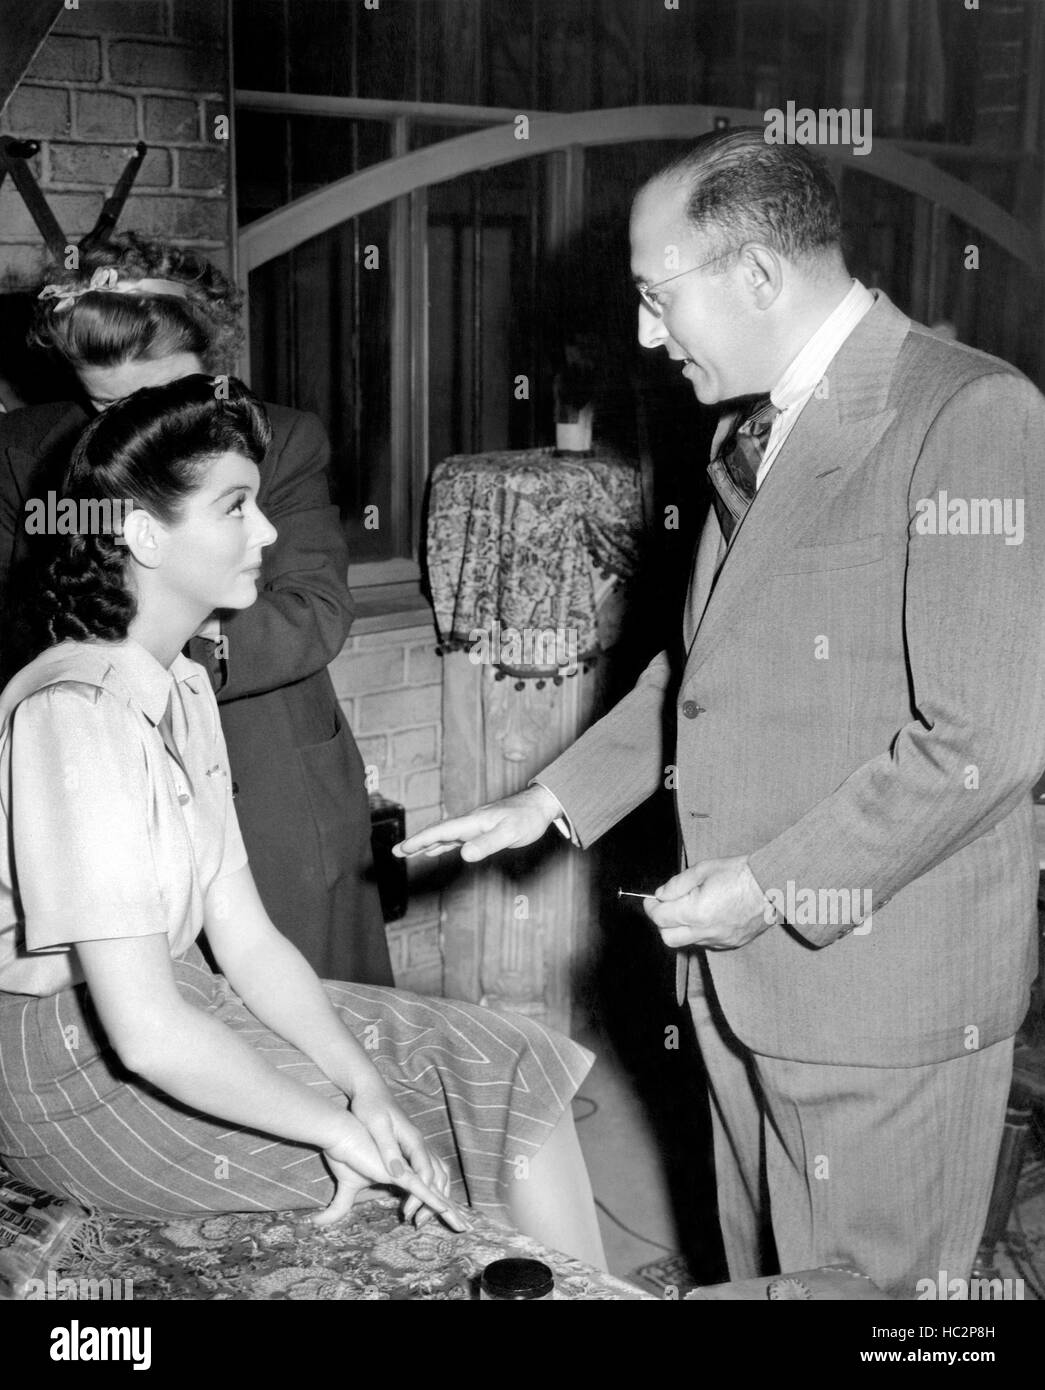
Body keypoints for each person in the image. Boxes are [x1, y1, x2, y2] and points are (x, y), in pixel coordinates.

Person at [396, 128, 1045, 1298]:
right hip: (741, 977)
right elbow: (697, 677)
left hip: (879, 993)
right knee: (760, 1277)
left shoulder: (969, 415)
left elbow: (985, 742)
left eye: (657, 297)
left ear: (755, 276)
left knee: (871, 1300)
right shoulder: (745, 430)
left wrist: (766, 888)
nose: (646, 334)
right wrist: (547, 799)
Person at [0, 375, 605, 1269]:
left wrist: (359, 1084)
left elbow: (246, 940)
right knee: (419, 1158)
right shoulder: (73, 713)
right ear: (142, 534)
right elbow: (146, 1033)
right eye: (236, 507)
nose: (270, 532)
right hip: (69, 1071)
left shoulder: (187, 685)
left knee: (510, 1061)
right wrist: (333, 1127)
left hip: (164, 1007)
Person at [0, 232, 391, 986]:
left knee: (305, 1004)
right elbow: (17, 612)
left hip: (267, 772)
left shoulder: (281, 443)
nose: (147, 427)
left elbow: (312, 611)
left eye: (169, 394)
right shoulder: (27, 455)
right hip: (96, 786)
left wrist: (164, 661)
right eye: (109, 404)